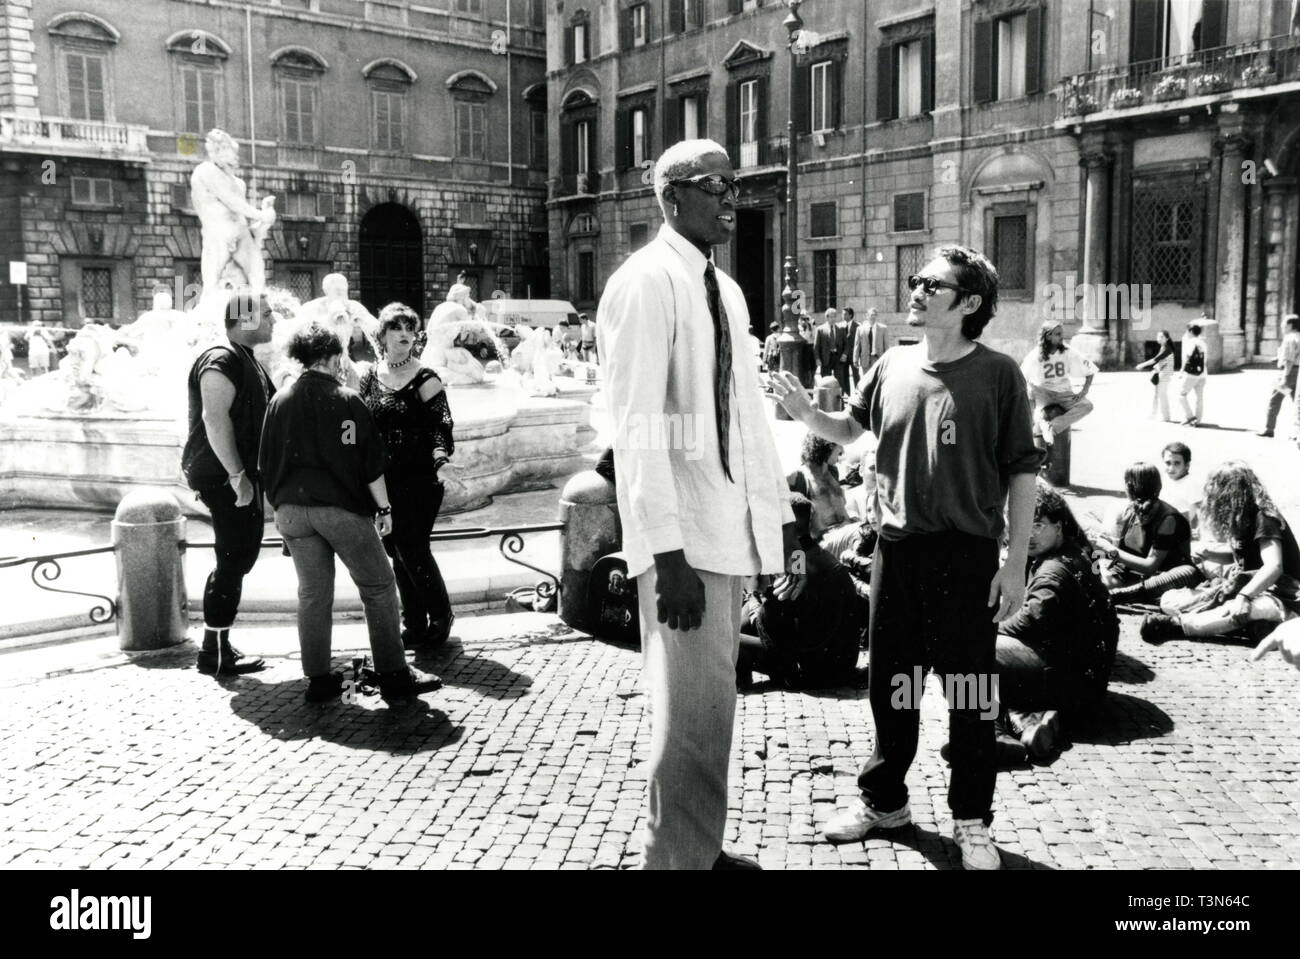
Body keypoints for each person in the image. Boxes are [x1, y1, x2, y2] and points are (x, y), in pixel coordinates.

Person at [772, 246, 1042, 871]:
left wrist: (1015, 562)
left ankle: (972, 819)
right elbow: (851, 428)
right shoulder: (892, 362)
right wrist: (808, 415)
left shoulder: (999, 375)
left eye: (932, 284)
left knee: (970, 692)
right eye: (916, 280)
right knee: (893, 684)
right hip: (894, 552)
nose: (915, 289)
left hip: (965, 555)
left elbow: (1023, 473)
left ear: (969, 303)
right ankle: (884, 802)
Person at [597, 139, 805, 871]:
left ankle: (697, 845)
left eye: (735, 184)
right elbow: (638, 430)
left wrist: (777, 521)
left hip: (727, 529)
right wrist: (665, 553)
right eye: (717, 184)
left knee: (712, 707)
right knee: (687, 718)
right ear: (673, 195)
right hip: (683, 542)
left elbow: (745, 417)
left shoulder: (727, 288)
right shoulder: (645, 283)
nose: (732, 198)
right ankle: (673, 861)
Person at [259, 320, 442, 704]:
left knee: (312, 594)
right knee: (378, 586)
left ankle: (319, 680)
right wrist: (384, 507)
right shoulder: (345, 400)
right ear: (330, 356)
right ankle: (393, 673)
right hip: (338, 509)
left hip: (292, 512)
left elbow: (266, 461)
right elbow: (367, 463)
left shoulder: (280, 400)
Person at [181, 291, 275, 676]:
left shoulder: (244, 358)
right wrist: (238, 476)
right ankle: (214, 651)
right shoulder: (222, 357)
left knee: (237, 556)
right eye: (267, 314)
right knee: (233, 557)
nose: (274, 320)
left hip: (235, 474)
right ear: (245, 319)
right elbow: (214, 418)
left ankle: (217, 645)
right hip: (224, 475)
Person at [996, 481, 1119, 760]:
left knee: (964, 652)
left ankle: (988, 729)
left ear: (1059, 525)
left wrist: (986, 628)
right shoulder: (1075, 552)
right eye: (1021, 526)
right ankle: (1026, 720)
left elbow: (1030, 620)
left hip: (1068, 681)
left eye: (1037, 525)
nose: (1028, 535)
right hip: (1086, 682)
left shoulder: (1053, 570)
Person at [358, 303, 457, 650]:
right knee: (395, 550)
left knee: (411, 547)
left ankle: (441, 615)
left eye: (409, 329)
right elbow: (359, 426)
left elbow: (440, 426)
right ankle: (413, 621)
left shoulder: (425, 377)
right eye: (395, 328)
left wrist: (440, 459)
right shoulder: (369, 376)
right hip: (383, 480)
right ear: (382, 336)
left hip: (419, 478)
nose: (403, 334)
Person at [1141, 462, 1300, 644]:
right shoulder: (1243, 517)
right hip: (1249, 586)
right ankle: (1254, 626)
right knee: (1169, 600)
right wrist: (1211, 555)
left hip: (1283, 595)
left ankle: (1176, 626)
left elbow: (1274, 566)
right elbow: (1243, 557)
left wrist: (1244, 597)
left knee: (1246, 609)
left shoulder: (1264, 517)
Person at [737, 492, 865, 691]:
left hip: (813, 673)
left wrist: (753, 601)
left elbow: (771, 631)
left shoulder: (796, 565)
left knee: (734, 638)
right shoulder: (822, 557)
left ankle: (739, 682)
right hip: (842, 665)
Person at [1095, 462, 1201, 604]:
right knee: (1093, 569)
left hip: (1163, 579)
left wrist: (1109, 549)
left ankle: (1123, 594)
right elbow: (1120, 556)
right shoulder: (1127, 512)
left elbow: (1150, 566)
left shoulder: (1168, 518)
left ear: (1130, 487)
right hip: (1132, 575)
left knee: (1188, 572)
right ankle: (1103, 587)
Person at [190, 129, 276, 298]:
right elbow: (232, 202)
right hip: (218, 235)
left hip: (241, 233)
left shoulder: (238, 183)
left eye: (235, 155)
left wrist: (265, 217)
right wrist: (260, 215)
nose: (236, 159)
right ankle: (208, 317)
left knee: (257, 276)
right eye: (231, 153)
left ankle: (259, 310)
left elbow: (240, 213)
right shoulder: (205, 171)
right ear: (217, 152)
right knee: (211, 284)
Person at [1021, 319, 1097, 447]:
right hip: (1043, 393)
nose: (1062, 337)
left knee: (1087, 406)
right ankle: (1035, 433)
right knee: (1031, 404)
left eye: (1061, 334)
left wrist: (1085, 390)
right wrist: (1030, 394)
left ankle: (1052, 427)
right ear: (1048, 335)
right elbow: (1021, 377)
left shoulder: (1068, 351)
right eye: (1058, 334)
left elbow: (1090, 369)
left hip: (1063, 393)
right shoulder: (1035, 355)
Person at [786, 433, 854, 542]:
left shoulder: (833, 471)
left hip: (847, 532)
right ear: (828, 445)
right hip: (824, 541)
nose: (842, 450)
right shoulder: (798, 477)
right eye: (839, 444)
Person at [1259, 314, 1300, 438]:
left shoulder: (1289, 338)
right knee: (1297, 404)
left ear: (1290, 325)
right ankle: (1297, 433)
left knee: (1274, 400)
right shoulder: (1298, 337)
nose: (1282, 326)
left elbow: (1289, 359)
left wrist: (1284, 377)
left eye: (1283, 323)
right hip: (1298, 373)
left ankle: (1268, 429)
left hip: (1288, 373)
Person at [1159, 442, 1201, 531]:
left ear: (1187, 465)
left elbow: (1200, 510)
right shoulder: (1163, 480)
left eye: (1177, 463)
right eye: (1168, 463)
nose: (1171, 468)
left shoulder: (1191, 483)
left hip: (1180, 529)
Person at [1136, 329, 1176, 421]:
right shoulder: (1164, 347)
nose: (1160, 338)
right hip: (1162, 374)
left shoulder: (1166, 348)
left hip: (1165, 375)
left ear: (1167, 338)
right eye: (1158, 336)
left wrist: (1142, 365)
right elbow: (1161, 362)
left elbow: (1155, 359)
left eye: (1162, 336)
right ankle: (1154, 414)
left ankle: (1166, 417)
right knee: (1157, 395)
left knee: (1161, 395)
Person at [813, 307, 855, 396]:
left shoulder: (841, 329)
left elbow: (846, 345)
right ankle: (825, 399)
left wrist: (844, 354)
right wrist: (817, 359)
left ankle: (841, 400)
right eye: (831, 317)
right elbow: (816, 347)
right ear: (827, 317)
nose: (833, 319)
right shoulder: (820, 330)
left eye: (834, 317)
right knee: (825, 381)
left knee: (840, 380)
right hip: (825, 359)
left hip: (838, 358)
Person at [1179, 322, 1209, 426]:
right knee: (1199, 398)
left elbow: (1187, 357)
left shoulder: (1191, 342)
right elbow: (1205, 359)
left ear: (1190, 331)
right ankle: (1198, 420)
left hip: (1191, 374)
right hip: (1203, 373)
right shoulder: (1203, 343)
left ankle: (1190, 417)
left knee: (1181, 395)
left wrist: (1181, 371)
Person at [853, 307, 888, 382]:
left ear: (877, 316)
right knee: (866, 380)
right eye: (871, 315)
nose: (873, 317)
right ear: (867, 316)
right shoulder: (860, 329)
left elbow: (886, 346)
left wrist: (887, 360)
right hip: (865, 358)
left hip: (877, 358)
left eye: (875, 315)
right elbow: (857, 345)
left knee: (877, 379)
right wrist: (855, 359)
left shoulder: (883, 328)